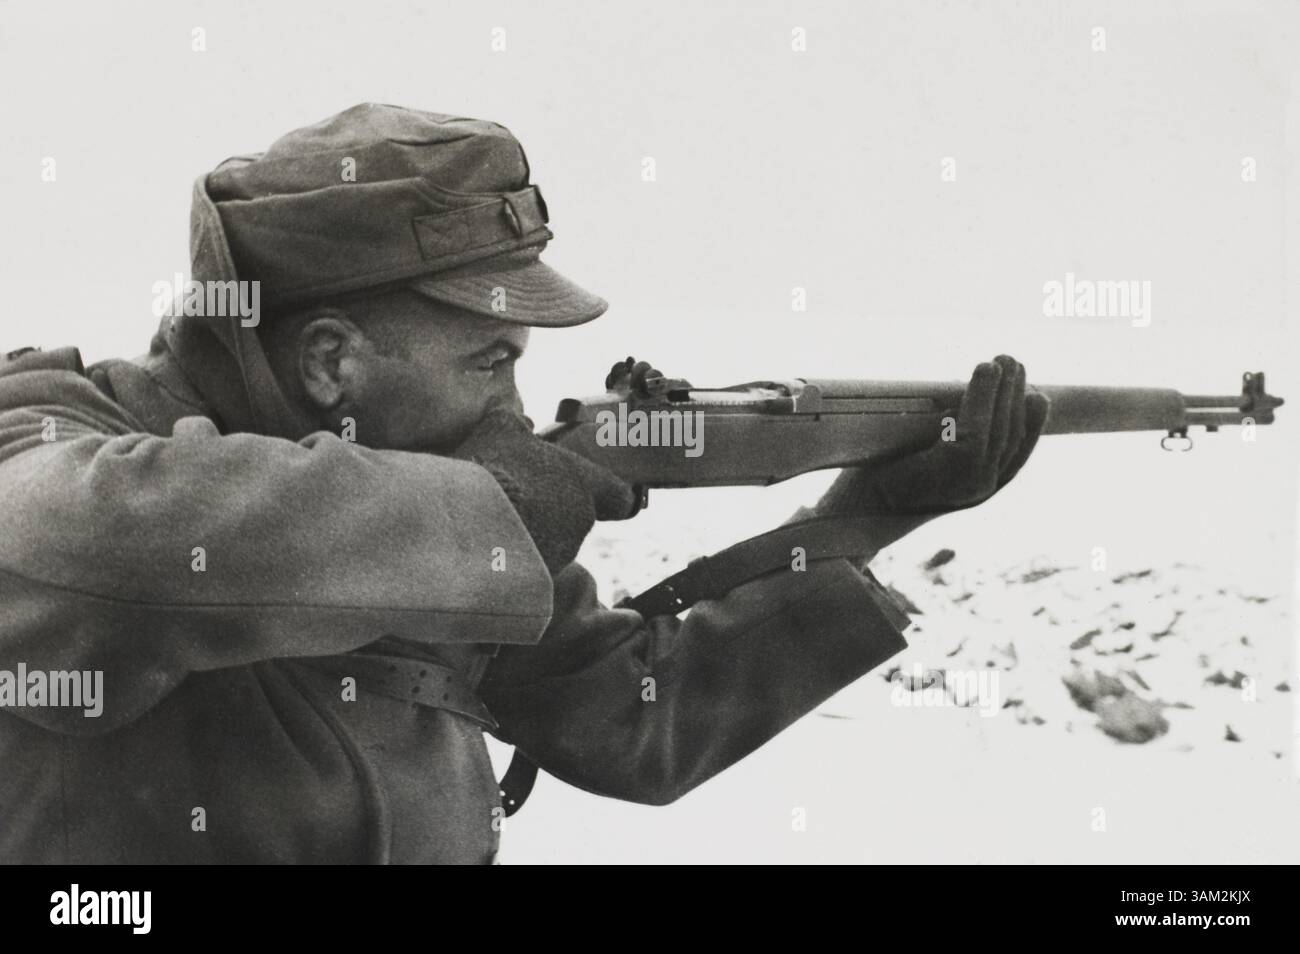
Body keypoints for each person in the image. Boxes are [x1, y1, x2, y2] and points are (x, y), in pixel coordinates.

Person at [0, 104, 1047, 863]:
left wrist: (868, 514)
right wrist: (509, 508)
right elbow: (103, 544)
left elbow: (639, 721)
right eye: (488, 361)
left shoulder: (435, 504)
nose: (511, 407)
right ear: (330, 361)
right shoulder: (52, 432)